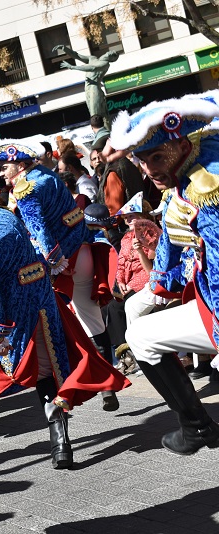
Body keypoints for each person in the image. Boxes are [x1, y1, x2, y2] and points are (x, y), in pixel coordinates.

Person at [0, 178, 130, 468]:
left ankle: (60, 441)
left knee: (41, 374)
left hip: (15, 311)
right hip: (43, 298)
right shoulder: (2, 214)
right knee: (57, 361)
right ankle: (62, 436)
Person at [111, 94, 219, 455]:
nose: (150, 170)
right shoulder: (200, 157)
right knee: (139, 330)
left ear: (181, 143)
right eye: (143, 160)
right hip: (206, 293)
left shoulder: (207, 186)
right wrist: (167, 280)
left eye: (158, 157)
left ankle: (197, 427)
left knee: (140, 334)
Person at [0, 138, 119, 411]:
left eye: (5, 167)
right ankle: (107, 385)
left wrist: (55, 262)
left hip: (61, 262)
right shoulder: (47, 174)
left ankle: (67, 389)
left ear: (20, 164)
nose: (3, 173)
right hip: (83, 249)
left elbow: (39, 229)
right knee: (91, 320)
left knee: (57, 328)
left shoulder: (25, 188)